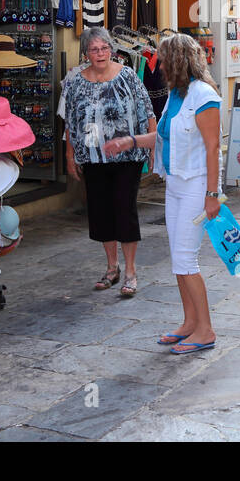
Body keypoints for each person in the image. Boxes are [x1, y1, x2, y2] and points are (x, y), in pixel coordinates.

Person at [104, 33, 222, 355]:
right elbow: (163, 135)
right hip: (176, 184)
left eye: (164, 58)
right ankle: (189, 323)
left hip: (198, 186)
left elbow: (213, 147)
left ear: (179, 60)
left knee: (187, 259)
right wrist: (130, 141)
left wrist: (213, 194)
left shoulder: (202, 94)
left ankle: (206, 330)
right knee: (178, 259)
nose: (159, 65)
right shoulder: (176, 94)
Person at [63, 26, 155, 297]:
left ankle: (130, 271)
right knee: (101, 210)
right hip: (92, 156)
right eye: (94, 49)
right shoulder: (76, 81)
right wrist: (70, 155)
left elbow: (147, 110)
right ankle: (111, 267)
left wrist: (151, 146)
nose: (100, 53)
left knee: (124, 209)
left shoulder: (127, 75)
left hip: (127, 155)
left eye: (104, 48)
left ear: (111, 50)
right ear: (86, 53)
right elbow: (70, 121)